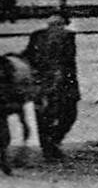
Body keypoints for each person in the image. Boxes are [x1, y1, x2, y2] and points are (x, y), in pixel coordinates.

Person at [22, 13, 80, 159]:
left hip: (50, 81)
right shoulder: (65, 37)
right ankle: (51, 144)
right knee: (64, 114)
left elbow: (28, 56)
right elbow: (67, 60)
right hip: (57, 81)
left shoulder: (40, 36)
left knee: (49, 115)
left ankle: (50, 144)